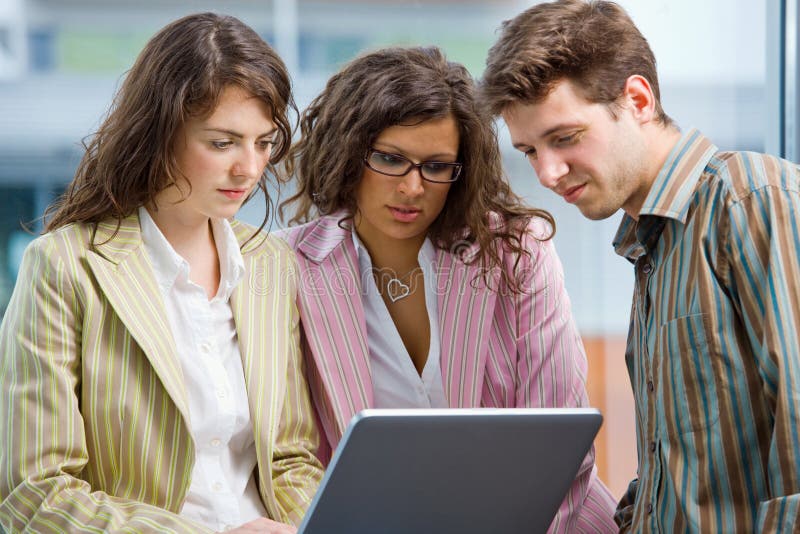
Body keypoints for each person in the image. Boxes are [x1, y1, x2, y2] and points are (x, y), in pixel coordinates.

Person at [481, 0, 800, 532]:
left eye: (564, 138)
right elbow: (680, 478)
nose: (548, 173)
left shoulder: (750, 199)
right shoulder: (651, 247)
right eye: (530, 150)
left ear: (637, 99)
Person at [0, 13, 323, 534]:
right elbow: (36, 493)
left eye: (263, 142)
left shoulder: (270, 263)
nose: (249, 168)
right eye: (222, 142)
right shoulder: (64, 266)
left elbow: (289, 459)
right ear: (160, 133)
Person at [277, 45, 617, 532]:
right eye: (390, 159)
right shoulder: (287, 267)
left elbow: (560, 450)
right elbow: (292, 459)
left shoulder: (517, 253)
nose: (413, 188)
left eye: (436, 166)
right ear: (349, 153)